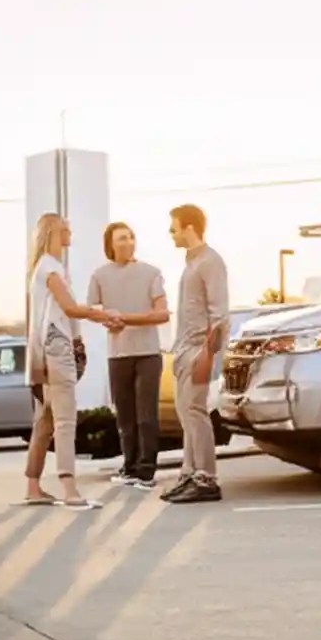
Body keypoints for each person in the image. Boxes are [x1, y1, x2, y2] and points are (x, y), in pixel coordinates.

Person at [24, 212, 119, 507]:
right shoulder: (51, 268)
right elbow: (70, 308)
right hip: (56, 346)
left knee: (46, 421)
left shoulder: (43, 267)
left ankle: (33, 488)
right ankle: (69, 489)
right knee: (66, 420)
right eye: (66, 229)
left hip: (44, 349)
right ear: (53, 232)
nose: (70, 234)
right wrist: (103, 314)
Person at [87, 222, 170, 491]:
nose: (127, 242)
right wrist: (107, 320)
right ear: (110, 244)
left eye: (130, 237)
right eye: (121, 238)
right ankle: (129, 466)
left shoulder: (151, 273)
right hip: (118, 354)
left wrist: (125, 318)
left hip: (147, 353)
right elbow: (93, 309)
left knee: (146, 415)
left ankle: (147, 470)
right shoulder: (100, 275)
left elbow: (162, 313)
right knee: (124, 415)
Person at [162, 203, 229, 504]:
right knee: (186, 413)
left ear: (189, 227)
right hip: (184, 349)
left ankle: (206, 478)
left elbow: (219, 314)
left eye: (173, 227)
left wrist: (208, 355)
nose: (170, 233)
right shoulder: (191, 262)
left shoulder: (210, 262)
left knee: (196, 413)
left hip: (199, 350)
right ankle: (189, 474)